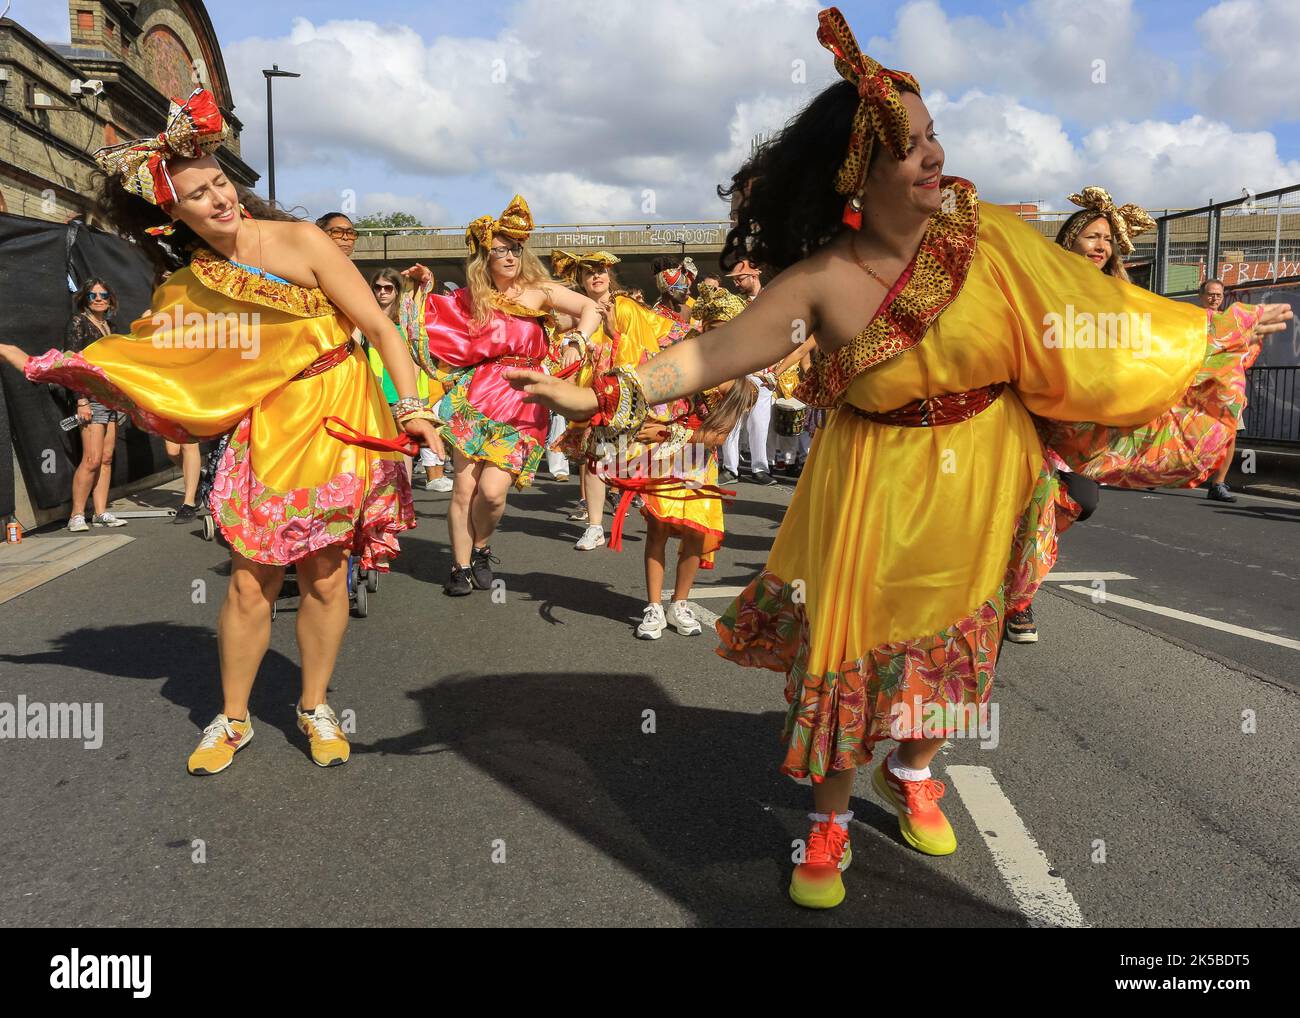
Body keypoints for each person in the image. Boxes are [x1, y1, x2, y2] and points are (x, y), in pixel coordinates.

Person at [505, 7, 1289, 910]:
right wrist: (606, 393)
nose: (933, 158)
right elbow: (706, 357)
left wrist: (1206, 338)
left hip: (989, 469)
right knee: (852, 648)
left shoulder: (985, 235)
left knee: (960, 649)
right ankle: (829, 821)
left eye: (933, 137)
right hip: (876, 481)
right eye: (910, 147)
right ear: (857, 173)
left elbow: (1094, 319)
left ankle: (913, 767)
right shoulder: (820, 284)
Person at [0, 89, 437, 775]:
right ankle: (233, 719)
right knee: (249, 581)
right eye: (199, 195)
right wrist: (63, 366)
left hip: (340, 416)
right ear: (171, 212)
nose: (219, 199)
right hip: (266, 426)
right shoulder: (190, 284)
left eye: (220, 183)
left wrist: (414, 411)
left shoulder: (303, 241)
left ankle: (313, 705)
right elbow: (156, 356)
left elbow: (380, 328)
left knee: (326, 577)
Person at [399, 196, 600, 596]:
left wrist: (578, 338)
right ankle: (459, 567)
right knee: (464, 489)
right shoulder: (473, 298)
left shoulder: (540, 291)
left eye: (513, 250)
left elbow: (591, 308)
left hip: (524, 400)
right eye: (498, 252)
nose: (508, 258)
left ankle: (482, 547)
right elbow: (427, 321)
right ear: (484, 259)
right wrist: (422, 286)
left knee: (491, 493)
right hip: (476, 397)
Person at [636, 283, 755, 639]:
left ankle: (679, 604)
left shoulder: (742, 385)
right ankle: (654, 606)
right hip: (664, 460)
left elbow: (717, 437)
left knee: (693, 534)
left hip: (699, 464)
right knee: (657, 529)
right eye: (713, 329)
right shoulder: (683, 359)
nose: (719, 337)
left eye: (728, 331)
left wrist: (667, 434)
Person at [550, 249, 674, 551]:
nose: (596, 276)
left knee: (641, 454)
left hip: (626, 391)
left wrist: (611, 336)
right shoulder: (576, 310)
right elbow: (554, 335)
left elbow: (644, 348)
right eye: (589, 272)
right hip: (593, 392)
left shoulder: (625, 306)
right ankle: (595, 526)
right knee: (595, 458)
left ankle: (655, 515)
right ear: (580, 278)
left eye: (601, 271)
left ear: (609, 276)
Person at [362, 267, 453, 492]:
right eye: (377, 287)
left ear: (396, 290)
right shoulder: (364, 318)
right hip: (375, 391)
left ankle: (404, 493)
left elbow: (422, 303)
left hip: (407, 392)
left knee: (405, 446)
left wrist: (426, 279)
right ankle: (379, 494)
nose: (382, 292)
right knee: (378, 445)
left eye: (388, 288)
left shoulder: (405, 318)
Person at [59, 278, 127, 531]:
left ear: (110, 299)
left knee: (107, 458)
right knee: (92, 458)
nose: (99, 299)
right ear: (84, 299)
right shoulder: (78, 323)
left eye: (104, 295)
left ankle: (100, 512)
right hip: (90, 398)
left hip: (110, 398)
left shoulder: (110, 325)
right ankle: (76, 514)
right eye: (93, 295)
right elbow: (71, 364)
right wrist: (81, 400)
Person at [719, 259, 778, 485]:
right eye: (734, 280)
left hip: (763, 372)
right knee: (732, 421)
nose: (736, 284)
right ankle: (730, 468)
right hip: (736, 369)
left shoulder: (773, 301)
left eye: (739, 279)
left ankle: (760, 467)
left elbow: (784, 334)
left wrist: (776, 367)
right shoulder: (732, 304)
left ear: (754, 275)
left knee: (759, 423)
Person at [1199, 279, 1240, 501]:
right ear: (1201, 295)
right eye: (1210, 294)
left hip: (1225, 385)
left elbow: (1239, 351)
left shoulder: (1228, 321)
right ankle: (1162, 472)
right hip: (1195, 384)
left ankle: (1218, 484)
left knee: (1230, 433)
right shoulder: (1191, 319)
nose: (1215, 298)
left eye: (1219, 295)